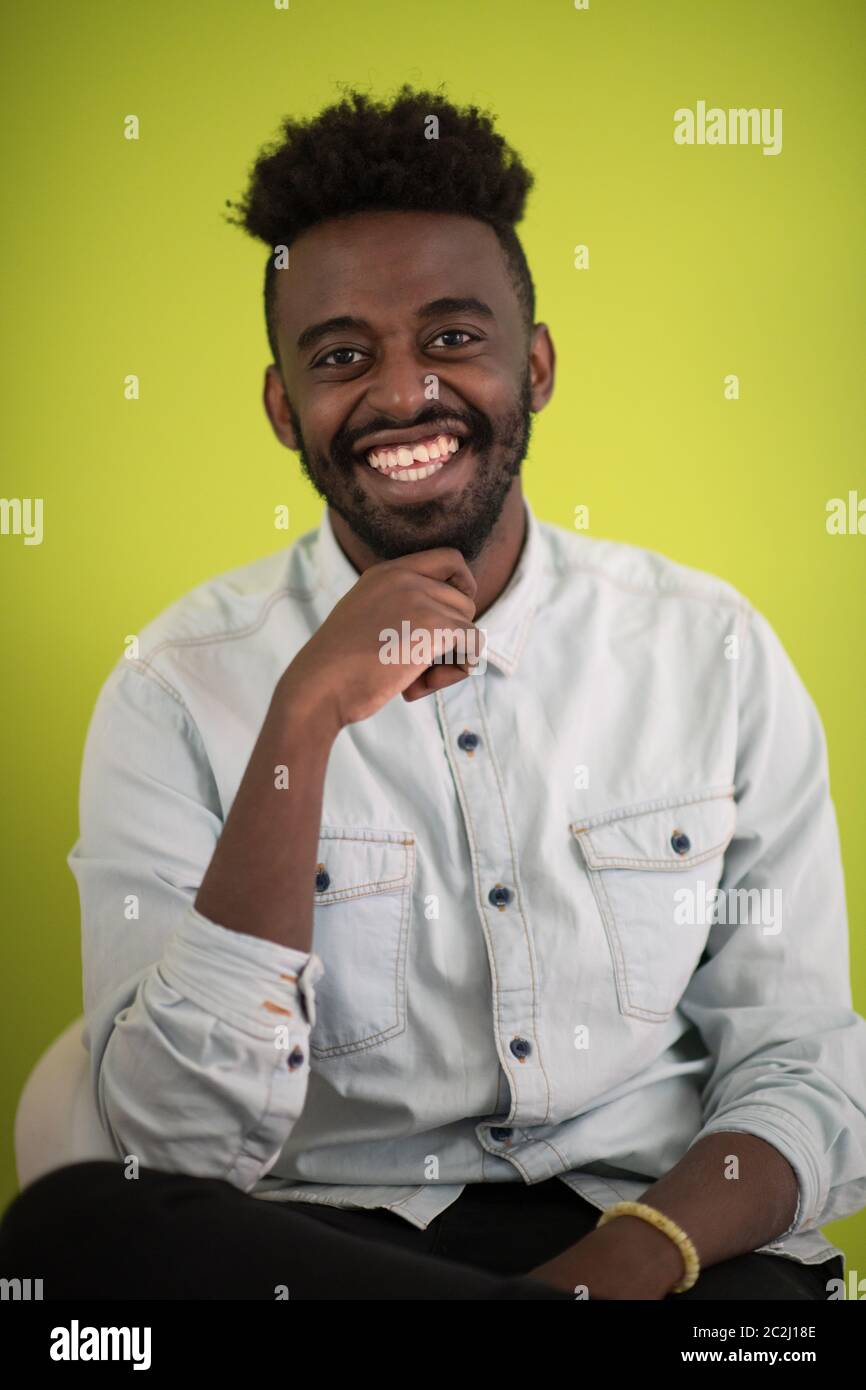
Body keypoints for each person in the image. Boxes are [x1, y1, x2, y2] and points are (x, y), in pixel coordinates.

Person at [2, 86, 863, 1301]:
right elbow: (169, 1147)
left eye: (453, 337)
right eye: (342, 356)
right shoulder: (176, 685)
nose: (404, 394)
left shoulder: (708, 648)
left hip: (660, 1244)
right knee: (73, 1234)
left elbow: (801, 1064)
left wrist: (625, 1260)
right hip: (332, 1247)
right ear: (280, 405)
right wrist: (301, 717)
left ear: (537, 364)